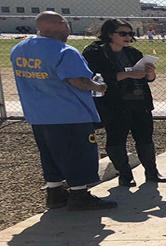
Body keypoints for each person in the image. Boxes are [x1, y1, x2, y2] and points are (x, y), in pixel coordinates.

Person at [11, 11, 114, 210]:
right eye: (66, 24)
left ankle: (55, 193)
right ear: (60, 25)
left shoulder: (19, 49)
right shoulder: (64, 51)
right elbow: (77, 80)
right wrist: (99, 87)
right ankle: (79, 194)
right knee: (78, 153)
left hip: (38, 115)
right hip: (69, 114)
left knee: (50, 154)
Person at [82, 18, 166, 187]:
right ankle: (125, 174)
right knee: (116, 139)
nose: (128, 37)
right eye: (123, 33)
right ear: (109, 34)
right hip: (114, 104)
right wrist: (127, 75)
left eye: (130, 34)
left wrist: (150, 73)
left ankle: (151, 171)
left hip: (139, 102)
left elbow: (148, 79)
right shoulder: (95, 52)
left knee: (145, 138)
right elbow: (95, 78)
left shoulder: (133, 53)